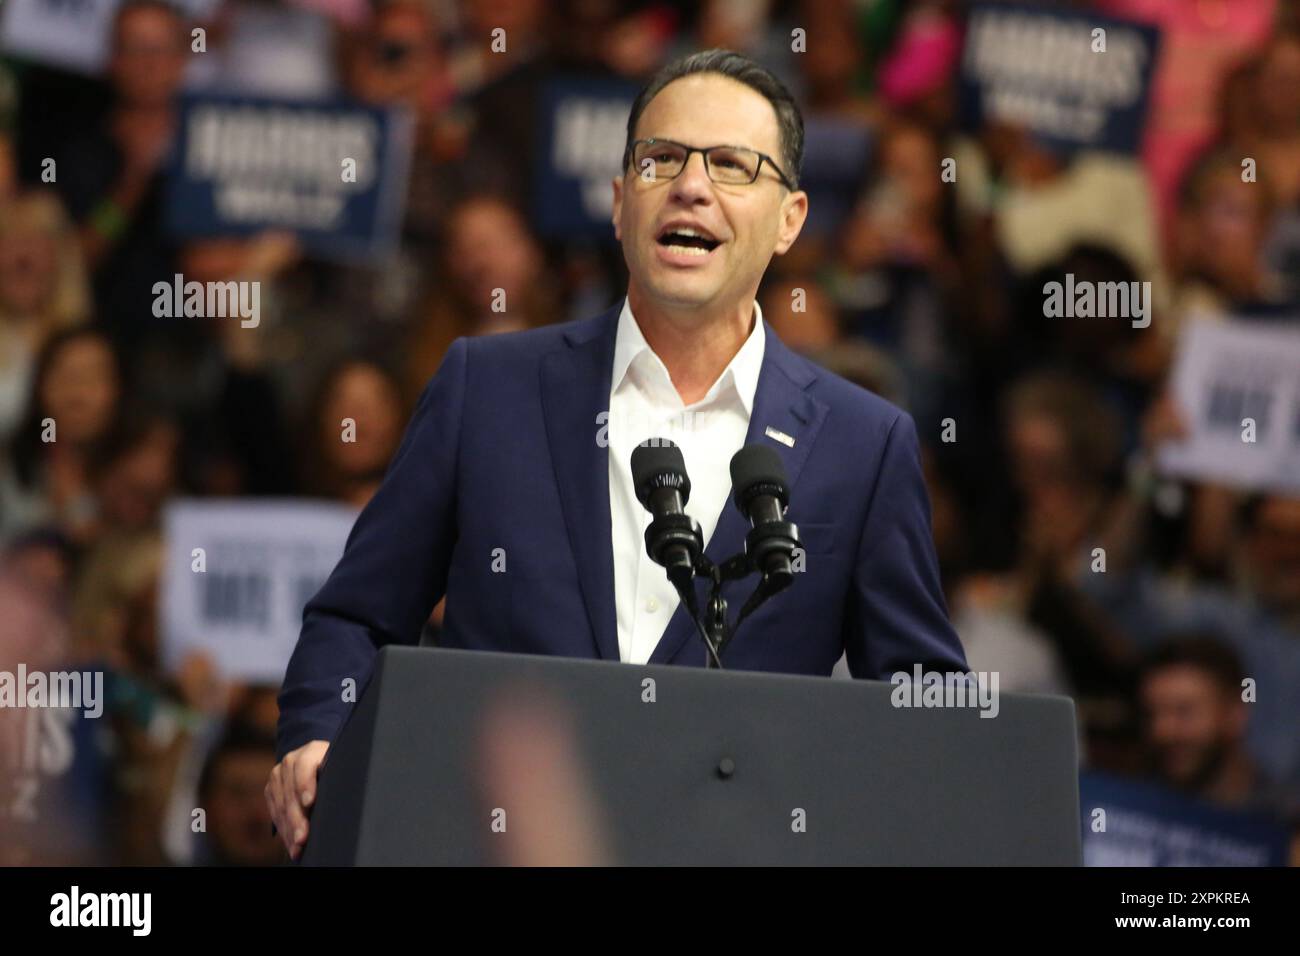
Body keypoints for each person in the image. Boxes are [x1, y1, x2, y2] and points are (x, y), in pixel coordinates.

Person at [268, 49, 967, 859]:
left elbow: (923, 704)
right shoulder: (486, 387)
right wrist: (318, 735)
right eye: (660, 159)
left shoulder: (863, 442)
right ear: (618, 200)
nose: (691, 186)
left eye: (734, 165)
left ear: (790, 219)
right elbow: (357, 614)